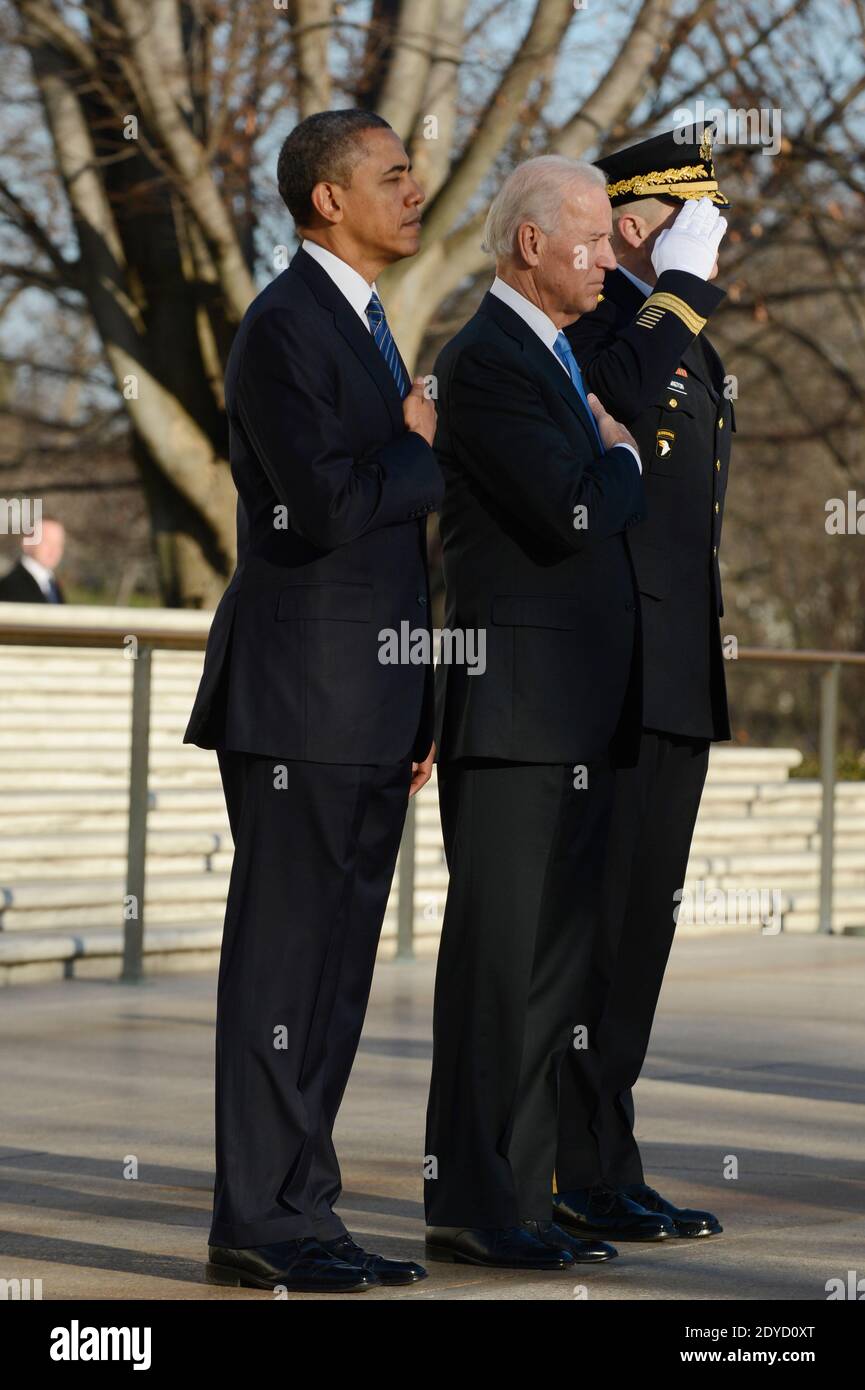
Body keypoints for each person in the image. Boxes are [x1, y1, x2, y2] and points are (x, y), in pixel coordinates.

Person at [183, 109, 444, 1293]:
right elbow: (323, 509)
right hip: (298, 705)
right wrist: (420, 445)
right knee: (284, 969)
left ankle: (305, 1209)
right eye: (392, 175)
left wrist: (421, 702)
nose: (415, 188)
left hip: (371, 701)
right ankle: (256, 1221)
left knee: (338, 976)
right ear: (327, 200)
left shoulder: (367, 325)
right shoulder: (283, 327)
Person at [423, 156, 646, 1269]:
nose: (610, 260)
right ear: (530, 246)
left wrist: (604, 447)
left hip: (569, 714)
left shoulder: (551, 357)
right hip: (513, 715)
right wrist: (616, 453)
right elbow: (569, 512)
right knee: (498, 967)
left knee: (554, 972)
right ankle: (471, 1199)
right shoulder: (489, 360)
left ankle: (524, 1189)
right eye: (594, 241)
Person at [553, 123, 733, 1242]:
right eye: (685, 215)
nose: (708, 235)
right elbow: (613, 395)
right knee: (598, 931)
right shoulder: (595, 320)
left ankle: (608, 1155)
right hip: (608, 674)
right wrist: (675, 289)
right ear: (631, 222)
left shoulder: (678, 323)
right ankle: (571, 1160)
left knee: (643, 933)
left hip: (674, 670)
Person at [0, 519, 66, 602]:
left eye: (58, 543)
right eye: (46, 541)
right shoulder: (8, 587)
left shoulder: (53, 586)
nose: (53, 550)